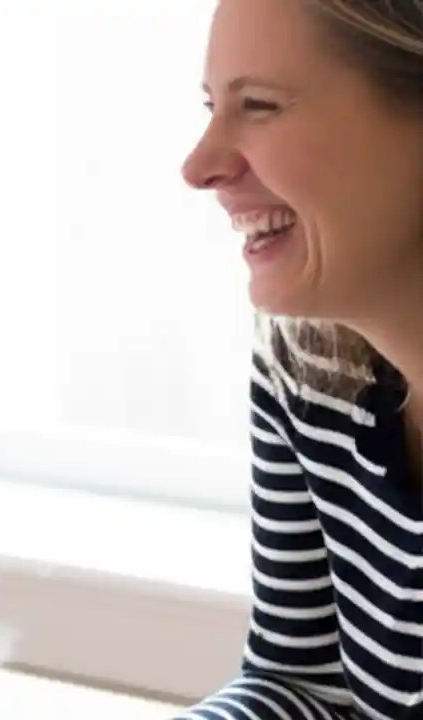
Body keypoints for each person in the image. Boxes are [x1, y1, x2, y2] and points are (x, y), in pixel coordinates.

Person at [178, 0, 423, 718]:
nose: (199, 166)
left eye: (258, 105)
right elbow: (303, 685)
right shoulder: (312, 369)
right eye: (212, 108)